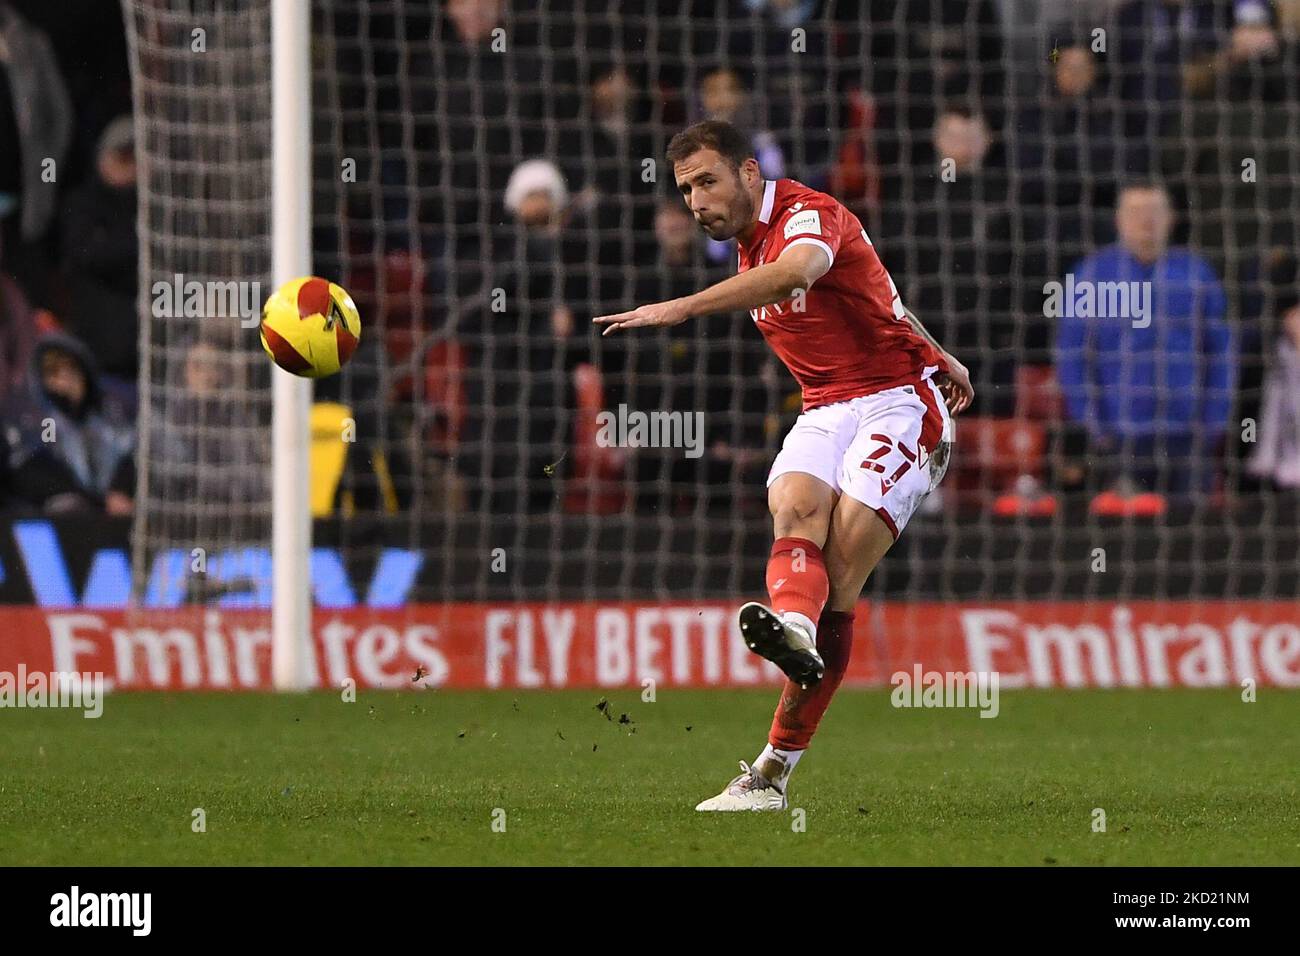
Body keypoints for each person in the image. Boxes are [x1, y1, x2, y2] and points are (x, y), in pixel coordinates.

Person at [594, 120, 973, 810]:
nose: (695, 201)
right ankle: (792, 642)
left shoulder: (807, 215)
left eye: (706, 181)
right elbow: (879, 292)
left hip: (899, 401)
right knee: (794, 509)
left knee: (844, 557)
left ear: (747, 173)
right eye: (684, 190)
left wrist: (678, 309)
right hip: (825, 406)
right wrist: (943, 346)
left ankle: (772, 767)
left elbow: (803, 271)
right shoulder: (746, 249)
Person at [1054, 182, 1235, 511]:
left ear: (1172, 218)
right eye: (1136, 213)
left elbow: (1220, 353)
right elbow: (1073, 357)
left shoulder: (1197, 275)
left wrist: (1212, 423)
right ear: (1119, 220)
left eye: (1155, 212)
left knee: (1190, 535)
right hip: (1118, 435)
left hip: (1186, 435)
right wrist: (1092, 426)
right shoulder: (1091, 276)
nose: (1146, 221)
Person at [3, 332, 134, 515]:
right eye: (54, 372)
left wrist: (120, 489)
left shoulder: (112, 411)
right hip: (75, 509)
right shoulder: (44, 421)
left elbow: (133, 451)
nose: (65, 379)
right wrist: (93, 500)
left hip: (118, 504)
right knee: (67, 505)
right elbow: (42, 460)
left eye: (71, 369)